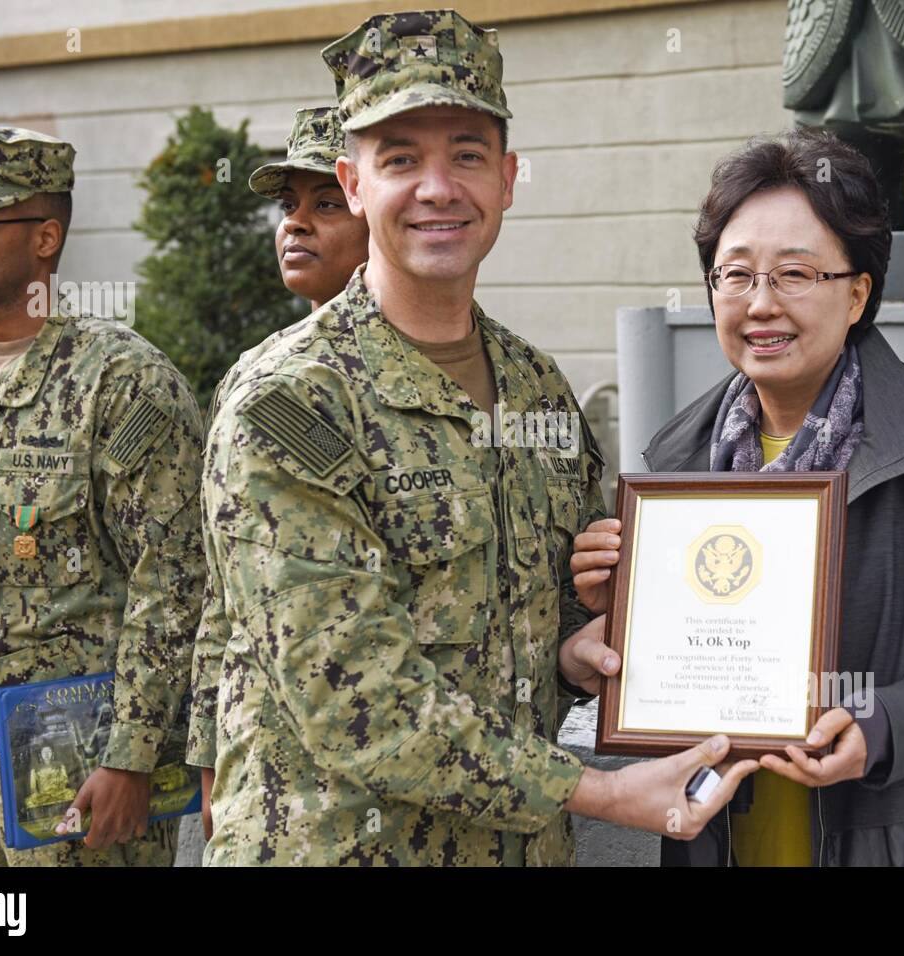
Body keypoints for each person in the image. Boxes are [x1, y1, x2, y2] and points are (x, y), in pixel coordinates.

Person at [201, 8, 757, 865]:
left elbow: (530, 630)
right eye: (400, 160)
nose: (438, 188)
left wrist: (576, 650)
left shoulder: (536, 388)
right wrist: (605, 793)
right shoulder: (290, 404)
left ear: (506, 177)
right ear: (353, 183)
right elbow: (355, 699)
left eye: (465, 155)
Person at [570, 127, 904, 866]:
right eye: (735, 275)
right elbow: (664, 667)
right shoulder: (679, 464)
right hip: (722, 840)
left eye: (794, 274)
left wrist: (881, 725)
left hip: (897, 842)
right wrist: (616, 616)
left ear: (857, 293)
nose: (761, 303)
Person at [0, 126, 205, 865]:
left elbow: (173, 581)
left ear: (46, 237)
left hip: (81, 768)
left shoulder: (123, 383)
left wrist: (131, 755)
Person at [186, 105, 370, 838]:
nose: (294, 223)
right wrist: (208, 750)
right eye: (288, 205)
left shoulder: (489, 378)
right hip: (279, 796)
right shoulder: (259, 378)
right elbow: (221, 590)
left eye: (325, 204)